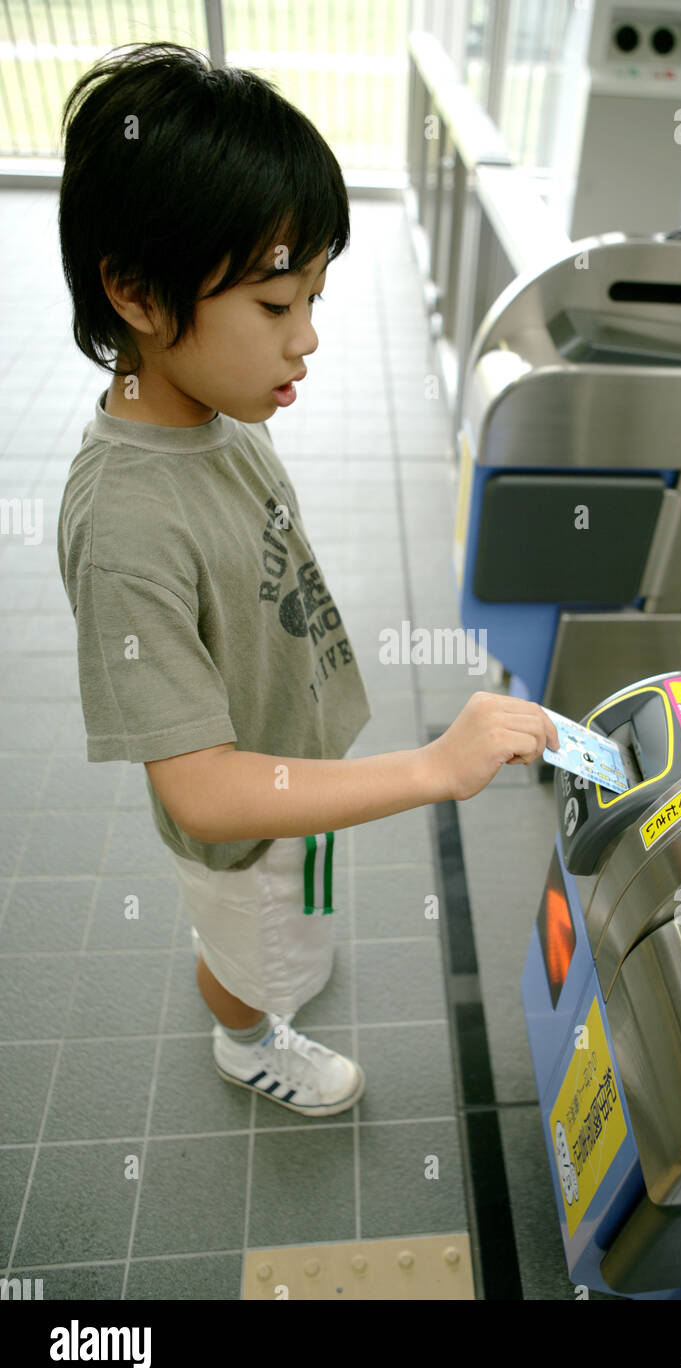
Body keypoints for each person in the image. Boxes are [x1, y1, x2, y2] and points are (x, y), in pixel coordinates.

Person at [56, 42, 558, 1119]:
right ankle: (245, 1035)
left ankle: (274, 968)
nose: (309, 339)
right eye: (277, 306)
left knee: (293, 922)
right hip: (244, 831)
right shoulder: (126, 527)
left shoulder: (214, 418)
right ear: (136, 294)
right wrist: (430, 767)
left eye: (315, 299)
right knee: (252, 952)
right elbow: (200, 787)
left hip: (296, 776)